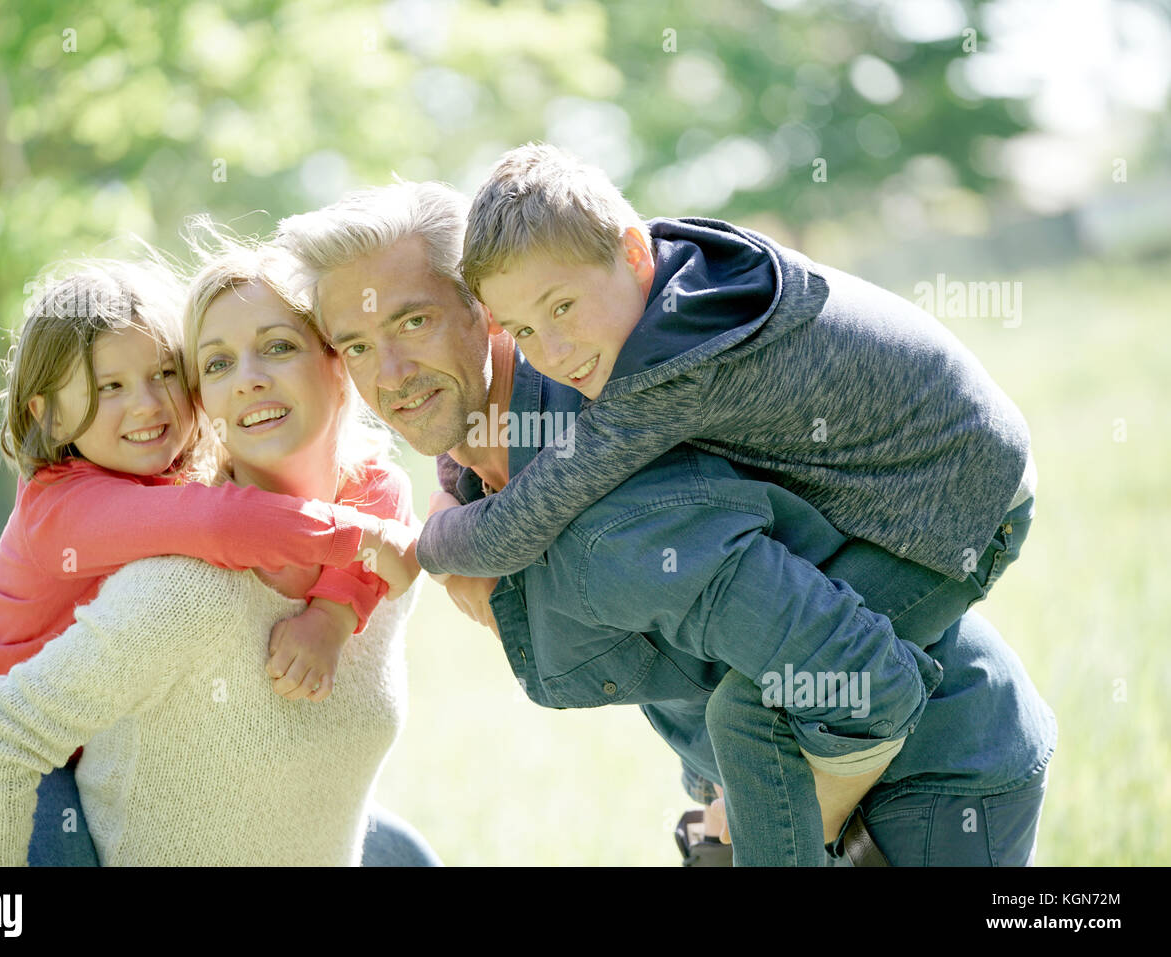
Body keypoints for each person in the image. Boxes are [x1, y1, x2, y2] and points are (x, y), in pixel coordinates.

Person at [278, 180, 1053, 865]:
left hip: (923, 785)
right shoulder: (533, 413)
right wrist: (453, 502)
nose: (390, 374)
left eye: (413, 323)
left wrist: (773, 825)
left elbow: (860, 680)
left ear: (486, 311)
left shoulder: (610, 495)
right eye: (357, 344)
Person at [0, 239, 438, 866]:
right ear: (50, 417)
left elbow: (382, 488)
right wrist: (355, 538)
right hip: (13, 746)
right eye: (109, 386)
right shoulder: (71, 510)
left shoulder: (165, 469)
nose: (147, 404)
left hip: (87, 729)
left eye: (165, 375)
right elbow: (222, 522)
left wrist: (336, 610)